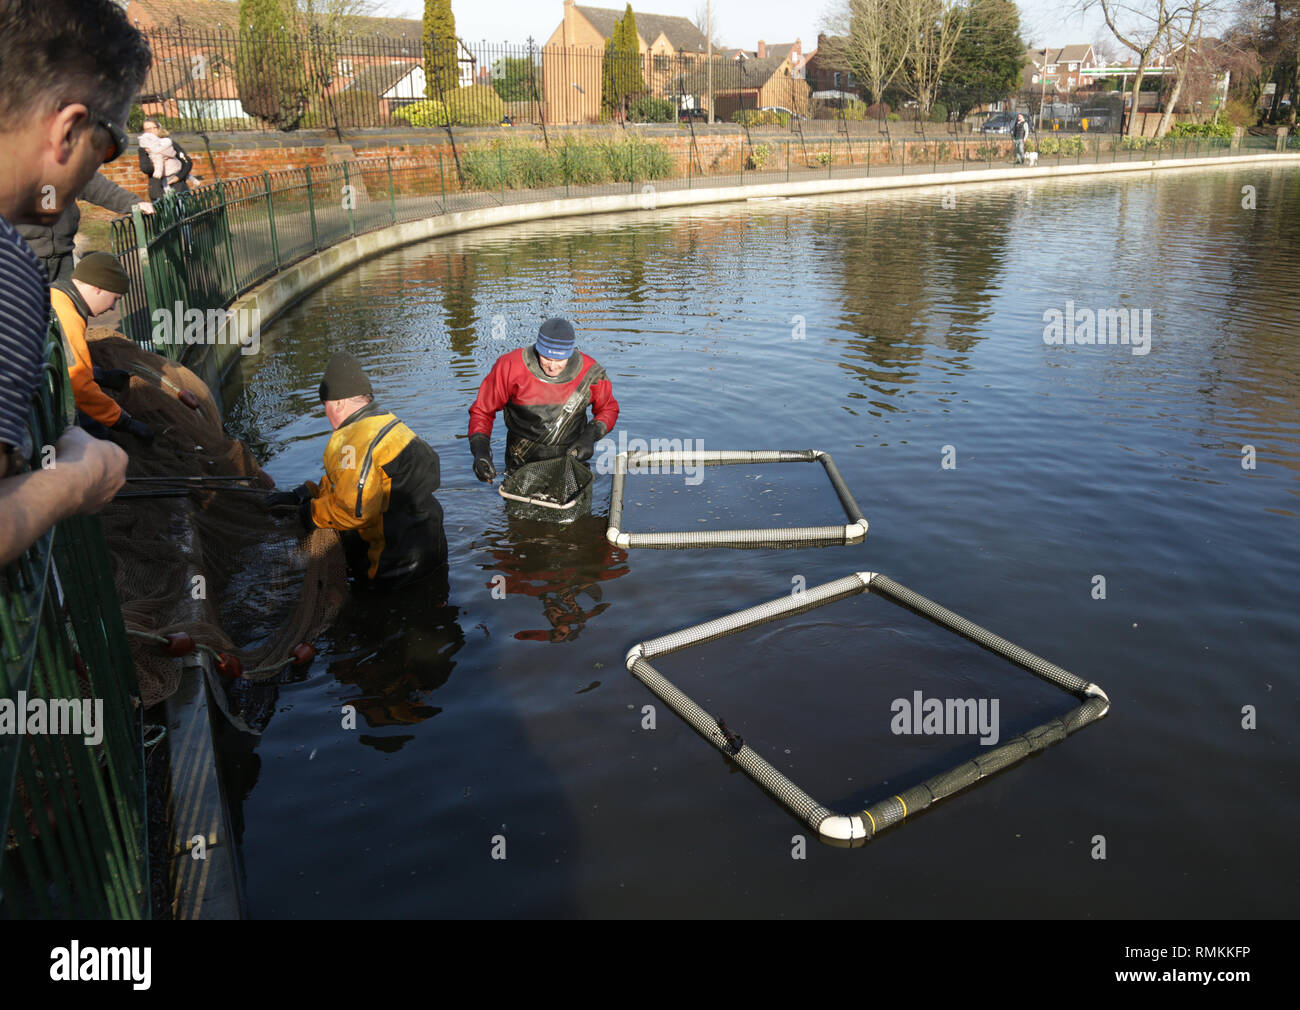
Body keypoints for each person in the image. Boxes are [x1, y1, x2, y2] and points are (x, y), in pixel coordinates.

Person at [0, 0, 151, 567]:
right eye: (109, 146)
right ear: (68, 130)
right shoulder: (10, 272)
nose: (100, 169)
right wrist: (73, 480)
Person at [264, 353, 447, 591]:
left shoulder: (354, 441)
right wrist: (306, 493)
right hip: (433, 554)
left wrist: (309, 513)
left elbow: (354, 511)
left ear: (339, 402)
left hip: (393, 572)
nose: (326, 413)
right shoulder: (389, 425)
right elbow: (348, 482)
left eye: (326, 406)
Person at [467, 317, 619, 481]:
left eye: (560, 360)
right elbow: (482, 411)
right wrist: (480, 449)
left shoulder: (591, 373)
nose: (552, 366)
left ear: (571, 352)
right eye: (546, 358)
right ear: (537, 350)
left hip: (571, 459)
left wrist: (591, 435)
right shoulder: (510, 366)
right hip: (521, 462)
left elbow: (608, 408)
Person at [49, 252, 153, 444]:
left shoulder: (58, 295)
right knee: (96, 431)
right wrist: (123, 421)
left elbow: (61, 363)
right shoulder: (67, 316)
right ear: (97, 288)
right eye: (115, 298)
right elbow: (77, 386)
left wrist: (99, 376)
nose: (113, 308)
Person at [17, 172, 153, 284]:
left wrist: (133, 203)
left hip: (63, 256)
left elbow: (93, 184)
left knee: (66, 312)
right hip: (20, 260)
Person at [137, 121, 195, 203]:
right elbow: (145, 168)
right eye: (147, 129)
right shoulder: (144, 149)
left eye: (153, 128)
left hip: (178, 187)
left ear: (159, 129)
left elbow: (187, 162)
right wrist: (159, 163)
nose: (150, 131)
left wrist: (178, 177)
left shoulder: (169, 143)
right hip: (158, 191)